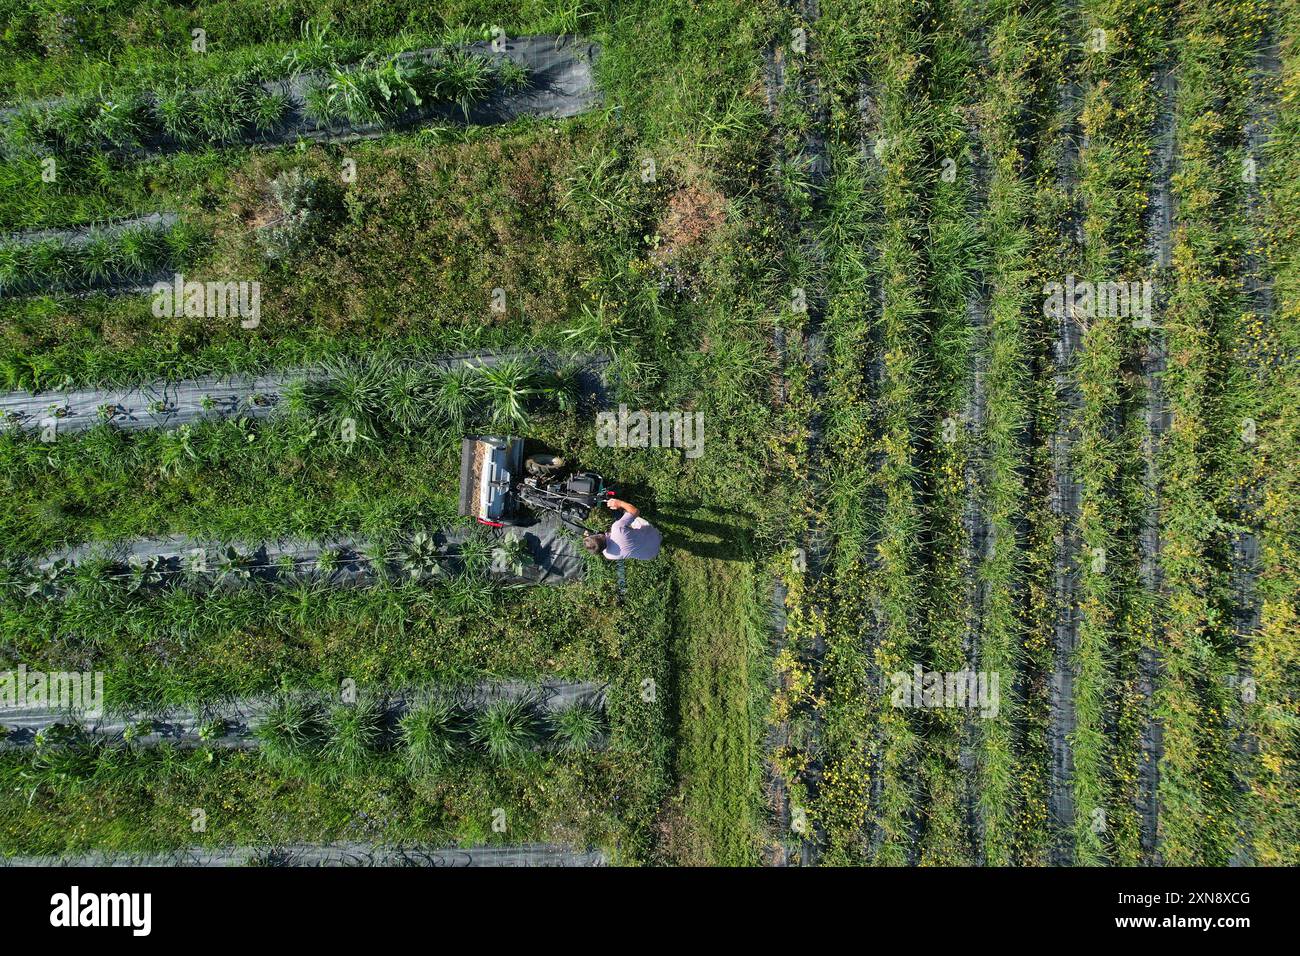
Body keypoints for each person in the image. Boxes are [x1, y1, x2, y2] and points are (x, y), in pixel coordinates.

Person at [582, 498, 662, 561]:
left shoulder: (609, 555)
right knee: (626, 514)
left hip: (651, 554)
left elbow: (601, 540)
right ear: (599, 535)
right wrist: (619, 503)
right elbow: (636, 511)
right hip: (655, 536)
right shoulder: (617, 528)